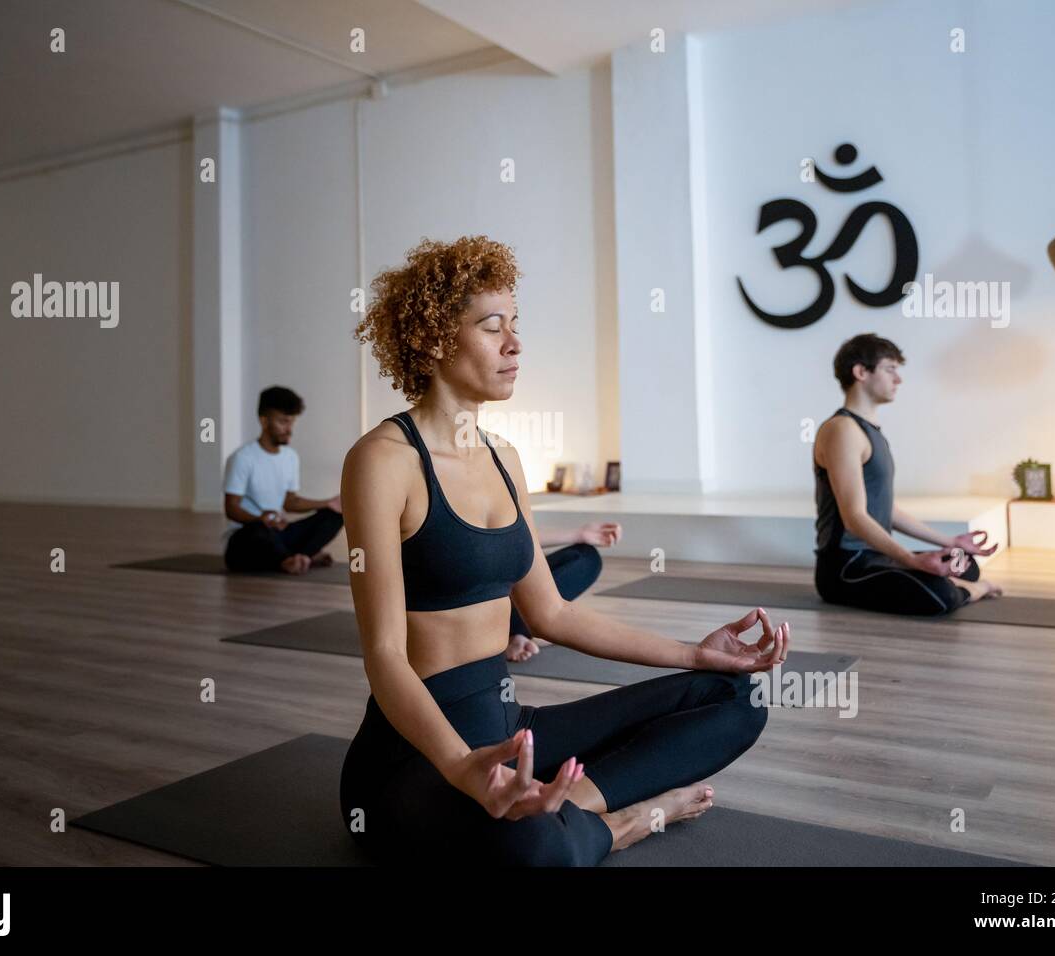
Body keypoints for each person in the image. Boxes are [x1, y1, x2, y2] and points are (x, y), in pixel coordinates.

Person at [338, 235, 789, 866]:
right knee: (528, 850)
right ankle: (626, 820)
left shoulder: (506, 459)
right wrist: (465, 767)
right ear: (435, 338)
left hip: (506, 727)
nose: (515, 344)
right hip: (414, 758)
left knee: (732, 697)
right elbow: (385, 657)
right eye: (493, 327)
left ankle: (572, 804)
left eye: (515, 326)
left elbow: (552, 614)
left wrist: (694, 652)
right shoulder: (382, 463)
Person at [812, 333, 1002, 615]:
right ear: (861, 372)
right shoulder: (842, 430)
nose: (898, 379)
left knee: (963, 563)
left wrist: (949, 541)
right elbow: (854, 518)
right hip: (846, 567)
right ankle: (976, 589)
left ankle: (957, 579)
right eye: (890, 369)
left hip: (874, 556)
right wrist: (910, 560)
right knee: (941, 596)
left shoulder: (868, 430)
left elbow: (885, 510)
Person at [222, 386, 343, 574]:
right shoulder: (242, 458)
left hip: (279, 533)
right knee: (257, 531)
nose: (289, 429)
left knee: (335, 516)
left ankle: (296, 557)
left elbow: (290, 502)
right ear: (264, 421)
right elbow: (231, 508)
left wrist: (328, 503)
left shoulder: (290, 457)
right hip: (249, 536)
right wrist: (261, 518)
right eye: (283, 422)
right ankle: (295, 557)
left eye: (292, 422)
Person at [505, 521, 620, 663]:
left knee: (584, 556)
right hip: (477, 605)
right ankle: (511, 631)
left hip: (501, 587)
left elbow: (512, 540)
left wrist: (581, 534)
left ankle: (518, 629)